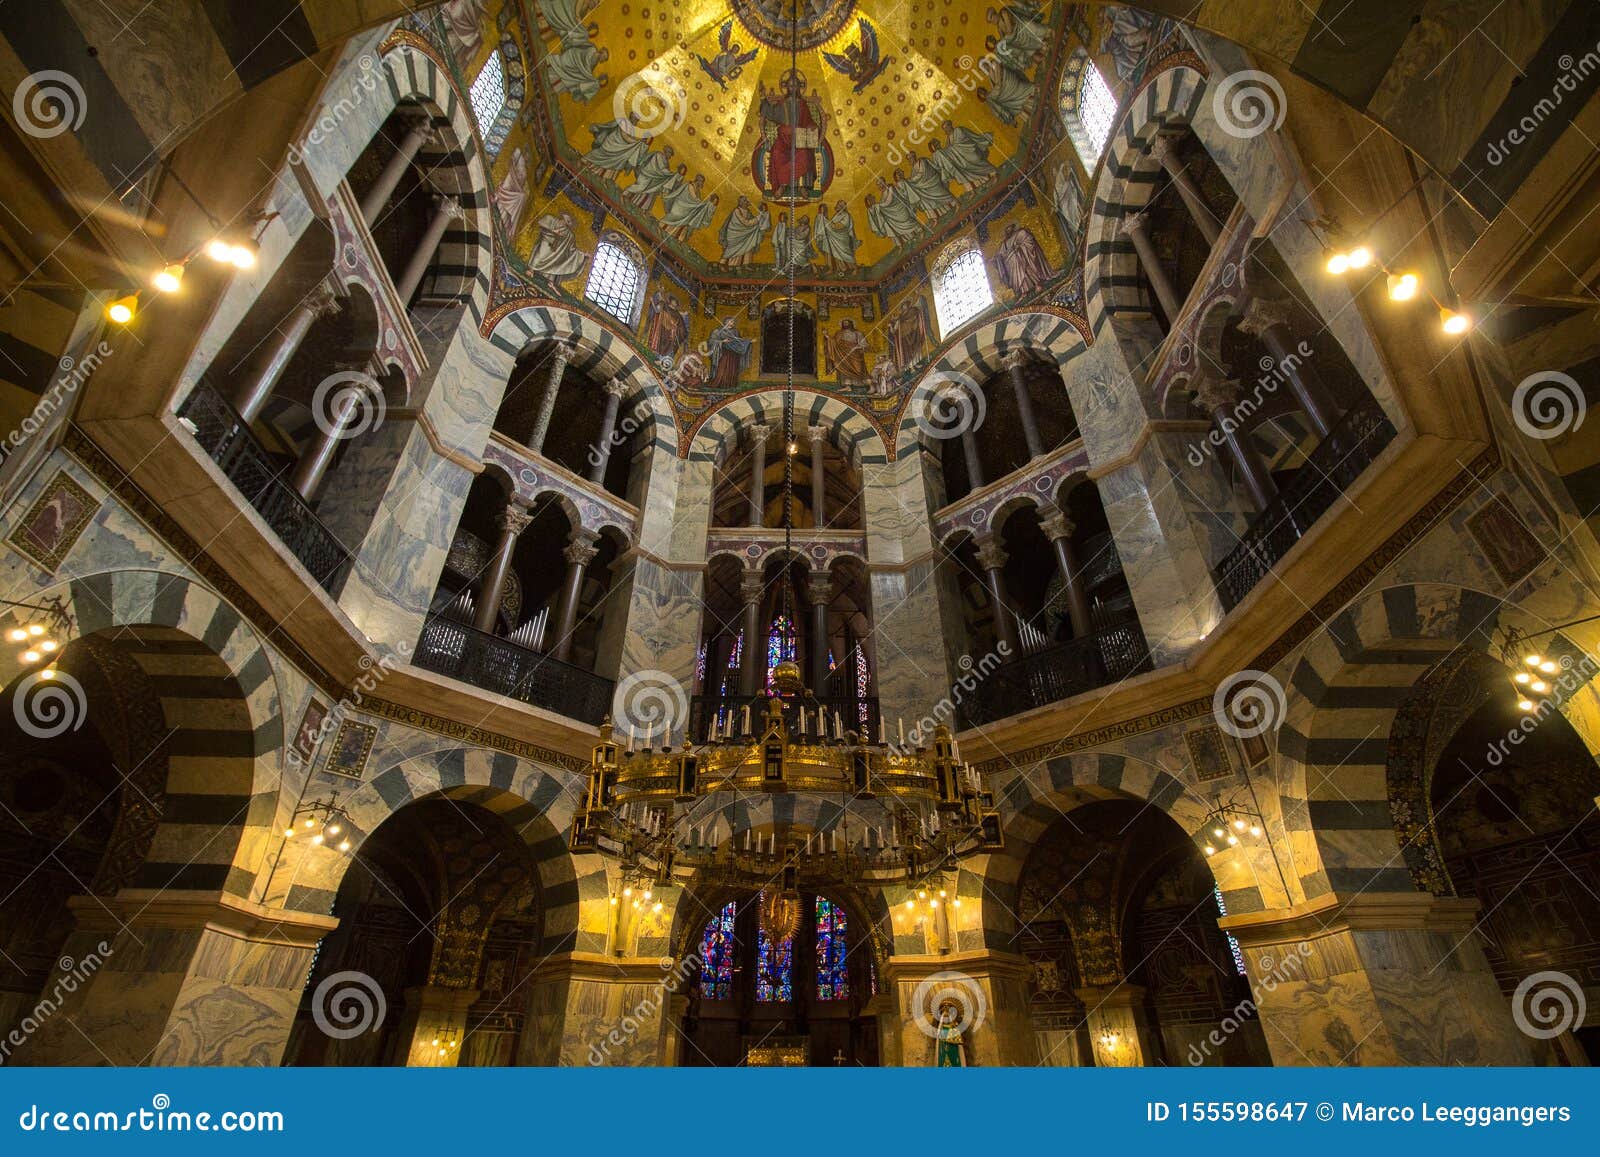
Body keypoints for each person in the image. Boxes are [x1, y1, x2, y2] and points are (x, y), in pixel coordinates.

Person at [993, 221, 1053, 297]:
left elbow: (1029, 240)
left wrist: (1020, 247)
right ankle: (1023, 292)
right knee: (1017, 277)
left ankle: (1037, 285)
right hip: (1012, 264)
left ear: (1013, 226)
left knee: (1027, 270)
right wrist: (995, 259)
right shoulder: (1004, 243)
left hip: (1022, 257)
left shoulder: (1020, 233)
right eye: (1006, 229)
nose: (1008, 229)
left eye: (1009, 227)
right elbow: (1000, 254)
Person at [718, 196, 770, 267]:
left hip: (745, 234)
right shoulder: (737, 211)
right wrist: (759, 217)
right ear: (741, 203)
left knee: (749, 244)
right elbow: (746, 223)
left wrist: (762, 216)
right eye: (745, 201)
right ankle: (730, 266)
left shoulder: (748, 211)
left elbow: (754, 223)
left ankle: (747, 264)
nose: (748, 202)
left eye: (747, 201)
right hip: (735, 234)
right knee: (735, 251)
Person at [828, 319, 870, 383]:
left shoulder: (857, 333)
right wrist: (827, 336)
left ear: (851, 324)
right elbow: (834, 342)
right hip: (842, 354)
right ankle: (847, 385)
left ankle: (860, 383)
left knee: (858, 369)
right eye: (844, 323)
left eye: (847, 323)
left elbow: (864, 344)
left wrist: (856, 347)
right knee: (844, 369)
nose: (845, 324)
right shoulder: (839, 333)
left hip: (855, 354)